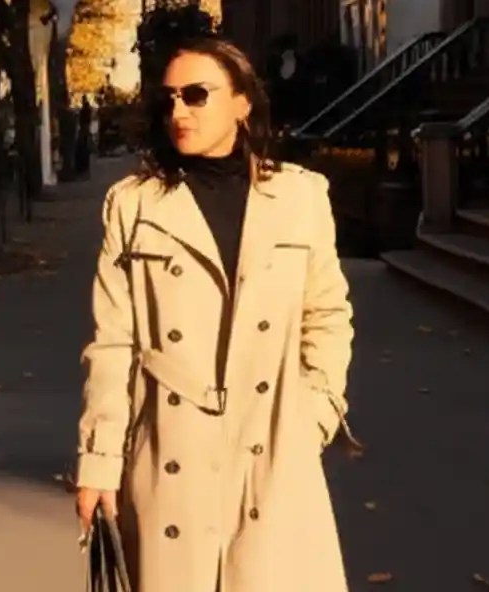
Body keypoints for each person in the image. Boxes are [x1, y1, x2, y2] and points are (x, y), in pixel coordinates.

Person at [74, 36, 357, 591]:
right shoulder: (134, 205)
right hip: (170, 457)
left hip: (272, 452)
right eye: (169, 99)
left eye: (197, 95)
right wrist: (100, 463)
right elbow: (114, 345)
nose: (179, 111)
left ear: (242, 103)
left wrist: (313, 414)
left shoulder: (301, 198)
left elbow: (327, 313)